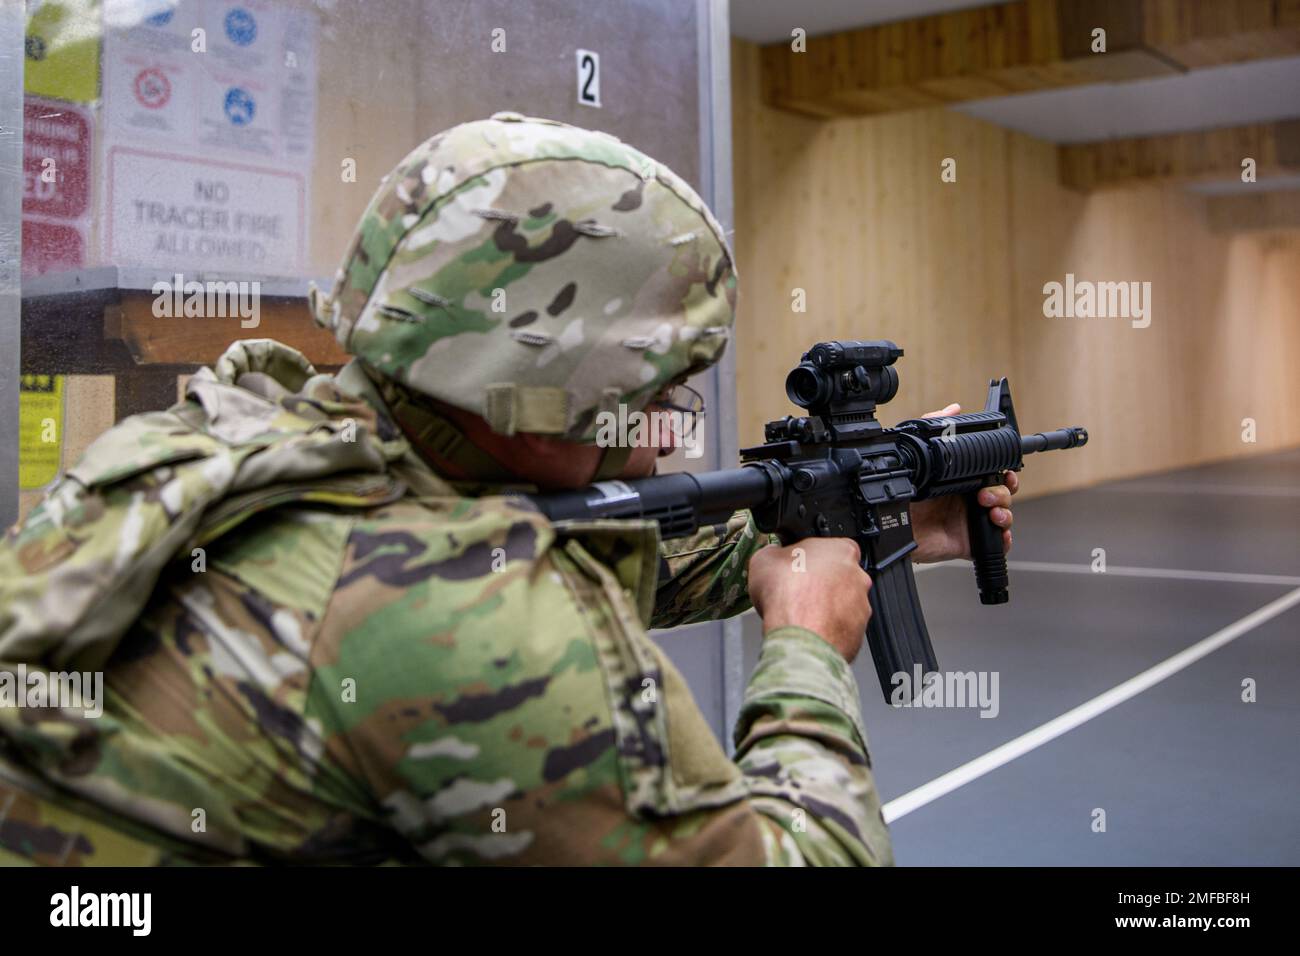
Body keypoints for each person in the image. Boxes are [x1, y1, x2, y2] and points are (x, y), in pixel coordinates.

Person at [0, 114, 1016, 866]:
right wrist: (804, 648)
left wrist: (884, 526)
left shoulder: (242, 434)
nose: (661, 429)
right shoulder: (456, 618)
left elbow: (554, 541)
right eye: (645, 386)